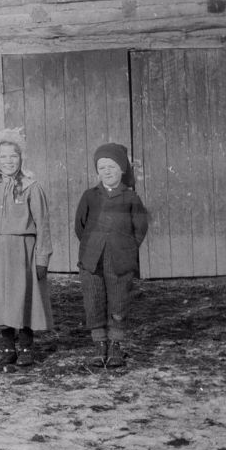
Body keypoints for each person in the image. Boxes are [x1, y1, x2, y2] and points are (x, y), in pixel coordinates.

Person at [0, 128, 53, 367]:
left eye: (13, 156)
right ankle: (8, 347)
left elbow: (43, 225)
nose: (8, 161)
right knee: (0, 299)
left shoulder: (32, 187)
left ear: (21, 158)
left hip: (23, 250)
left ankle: (27, 347)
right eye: (3, 157)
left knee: (25, 297)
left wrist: (42, 258)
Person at [74, 142, 148, 368]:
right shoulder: (90, 196)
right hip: (91, 259)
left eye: (112, 167)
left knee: (118, 300)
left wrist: (125, 248)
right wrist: (92, 246)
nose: (107, 171)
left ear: (123, 170)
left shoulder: (131, 198)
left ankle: (116, 345)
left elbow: (140, 229)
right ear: (97, 171)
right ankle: (99, 346)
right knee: (94, 300)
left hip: (120, 260)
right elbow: (80, 226)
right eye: (102, 167)